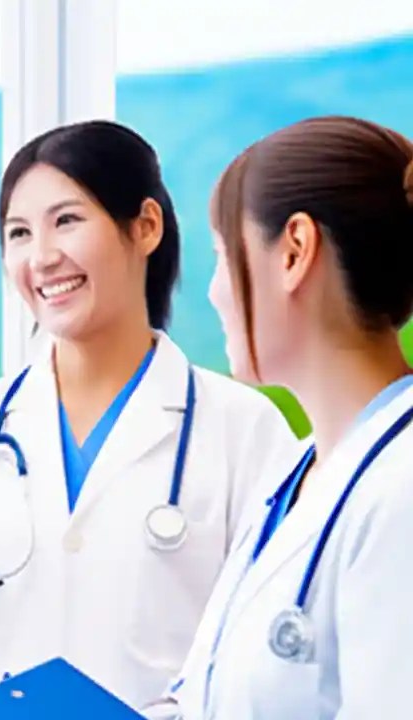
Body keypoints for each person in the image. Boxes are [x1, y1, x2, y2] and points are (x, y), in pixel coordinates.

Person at [0, 119, 300, 718]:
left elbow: (268, 643)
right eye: (18, 233)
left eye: (66, 221)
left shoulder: (244, 431)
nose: (42, 257)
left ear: (146, 226)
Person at [150, 116, 413, 719]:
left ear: (295, 250)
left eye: (222, 253)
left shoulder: (402, 494)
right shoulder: (295, 472)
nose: (215, 291)